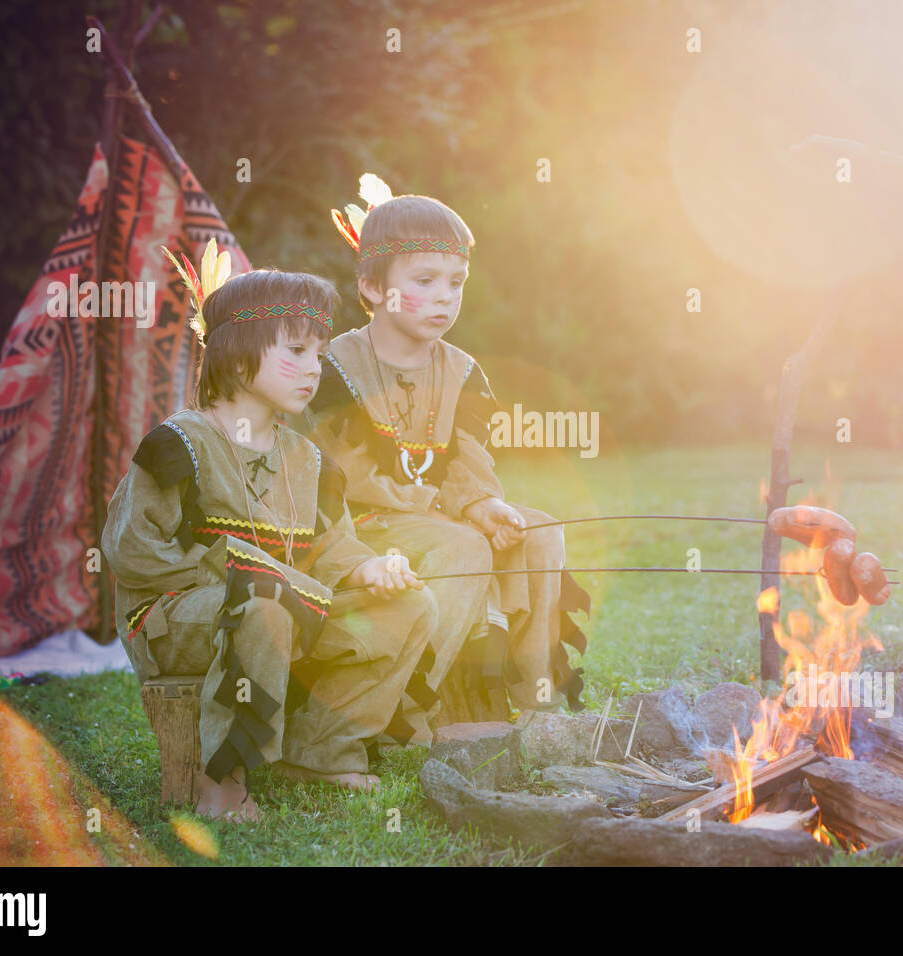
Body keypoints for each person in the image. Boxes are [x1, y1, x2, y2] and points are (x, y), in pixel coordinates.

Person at [103, 250, 438, 822]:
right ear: (235, 359)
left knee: (411, 604)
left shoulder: (306, 460)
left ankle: (320, 750)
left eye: (321, 354)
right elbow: (132, 552)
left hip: (286, 609)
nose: (315, 368)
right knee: (261, 601)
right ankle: (220, 782)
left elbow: (331, 547)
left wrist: (370, 568)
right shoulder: (178, 445)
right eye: (297, 351)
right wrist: (249, 574)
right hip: (176, 619)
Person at [291, 175, 588, 720]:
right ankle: (408, 697)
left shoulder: (461, 369)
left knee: (540, 532)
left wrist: (482, 505)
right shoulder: (334, 367)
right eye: (426, 280)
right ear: (374, 288)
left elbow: (469, 458)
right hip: (362, 522)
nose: (445, 297)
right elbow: (339, 473)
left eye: (456, 282)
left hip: (438, 513)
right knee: (465, 548)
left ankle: (530, 690)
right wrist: (455, 517)